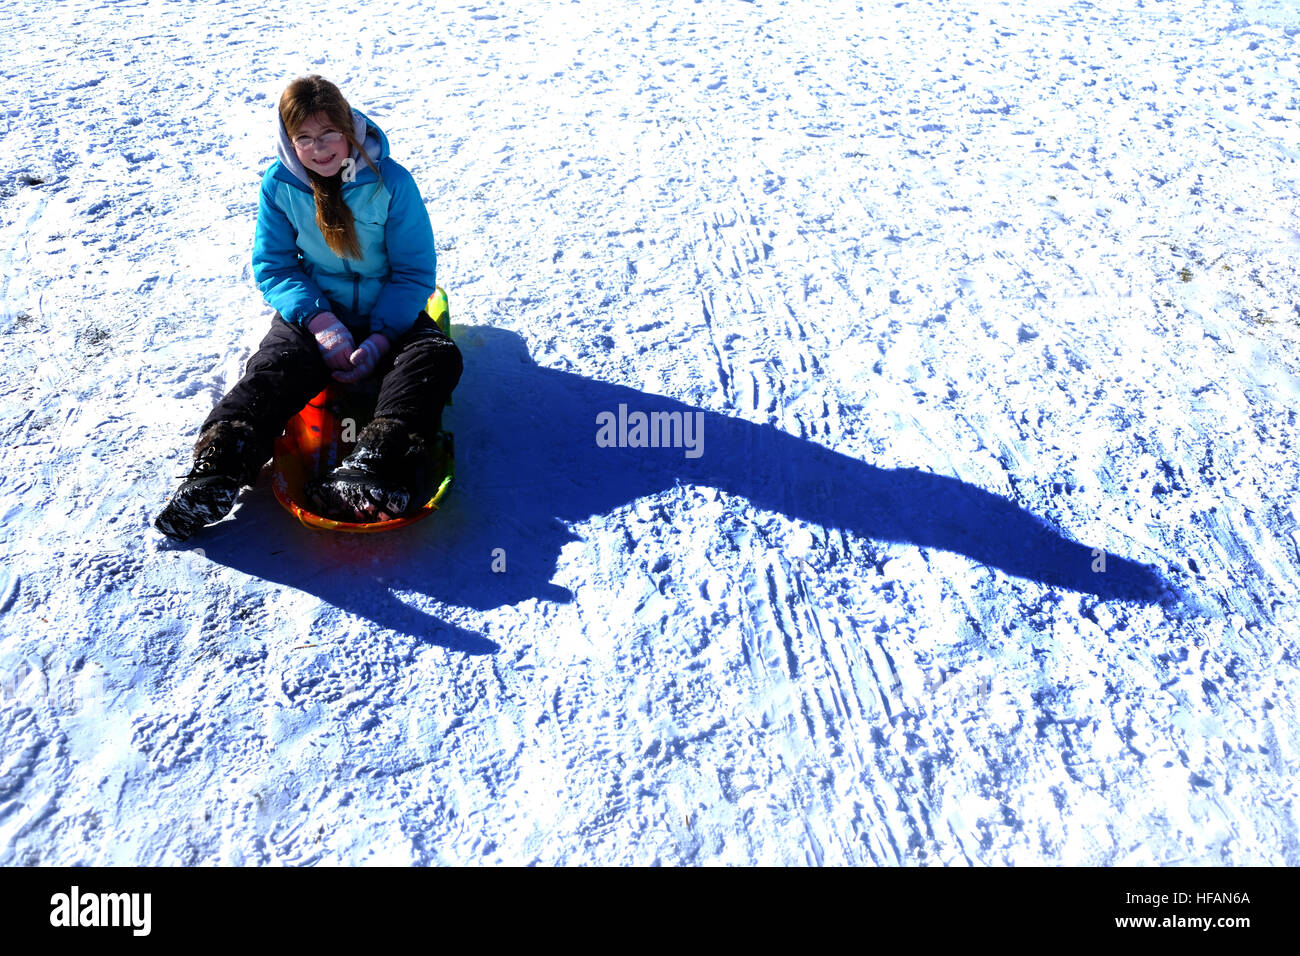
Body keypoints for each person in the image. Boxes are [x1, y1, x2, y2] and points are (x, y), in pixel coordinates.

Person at [155, 75, 463, 540]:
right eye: (303, 139)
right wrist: (321, 323)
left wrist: (381, 337)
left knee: (435, 358)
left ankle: (375, 464)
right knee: (273, 368)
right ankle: (217, 468)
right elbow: (275, 265)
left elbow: (414, 273)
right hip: (316, 312)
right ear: (288, 140)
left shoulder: (390, 182)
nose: (318, 150)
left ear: (348, 130)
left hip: (388, 309)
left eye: (328, 135)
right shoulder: (280, 185)